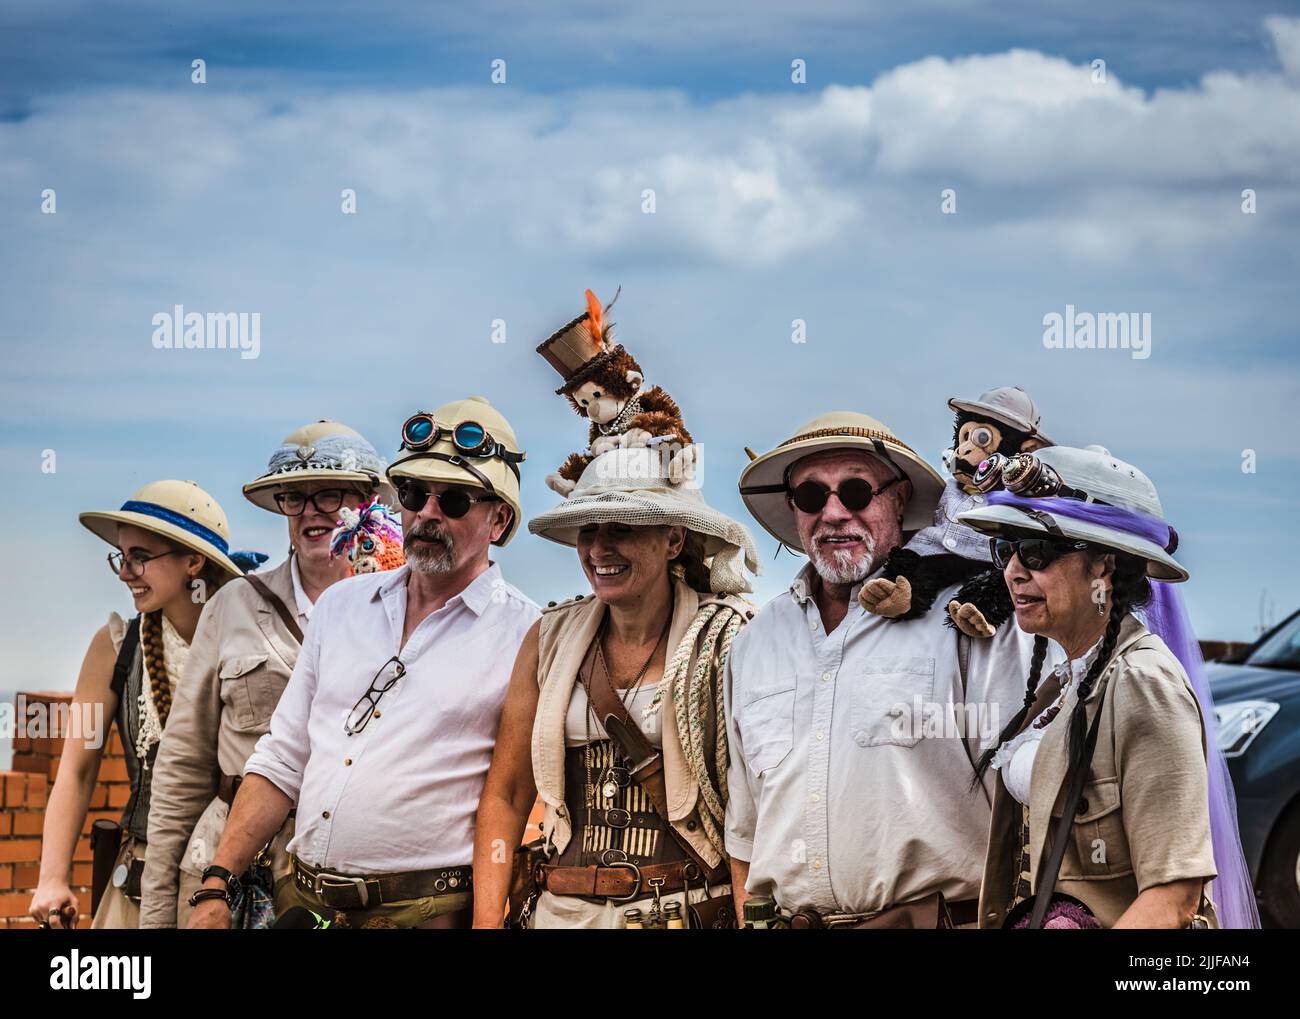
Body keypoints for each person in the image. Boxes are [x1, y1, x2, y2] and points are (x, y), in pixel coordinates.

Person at [187, 397, 539, 929]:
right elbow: (284, 757)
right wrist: (218, 883)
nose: (428, 514)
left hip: (424, 913)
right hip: (302, 904)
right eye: (416, 495)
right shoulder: (341, 606)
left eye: (456, 501)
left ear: (500, 519)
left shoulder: (526, 634)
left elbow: (515, 799)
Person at [726, 411, 1054, 927]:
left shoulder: (972, 621)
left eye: (856, 493)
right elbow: (744, 832)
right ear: (794, 511)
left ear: (899, 499)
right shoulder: (752, 644)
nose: (834, 513)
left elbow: (1037, 789)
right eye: (812, 497)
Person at [960, 444, 1259, 929]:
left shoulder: (1142, 684)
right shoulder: (1066, 681)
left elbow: (1174, 898)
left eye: (1036, 552)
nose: (1014, 571)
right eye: (1006, 549)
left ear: (1104, 567)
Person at [472, 445, 758, 928]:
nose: (600, 549)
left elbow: (749, 806)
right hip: (560, 912)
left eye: (622, 528)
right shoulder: (549, 638)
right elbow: (508, 793)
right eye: (590, 530)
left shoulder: (729, 639)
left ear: (673, 539)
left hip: (688, 911)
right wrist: (486, 921)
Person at [139, 421, 393, 928]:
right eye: (293, 499)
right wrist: (158, 915)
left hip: (349, 879)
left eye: (329, 495)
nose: (310, 513)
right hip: (228, 872)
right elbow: (182, 769)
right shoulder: (233, 606)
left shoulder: (402, 612)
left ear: (367, 502)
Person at [31, 481, 242, 928]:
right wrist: (52, 877)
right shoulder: (114, 648)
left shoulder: (245, 645)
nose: (125, 573)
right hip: (141, 887)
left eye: (140, 557)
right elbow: (77, 767)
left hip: (230, 885)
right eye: (121, 558)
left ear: (193, 561)